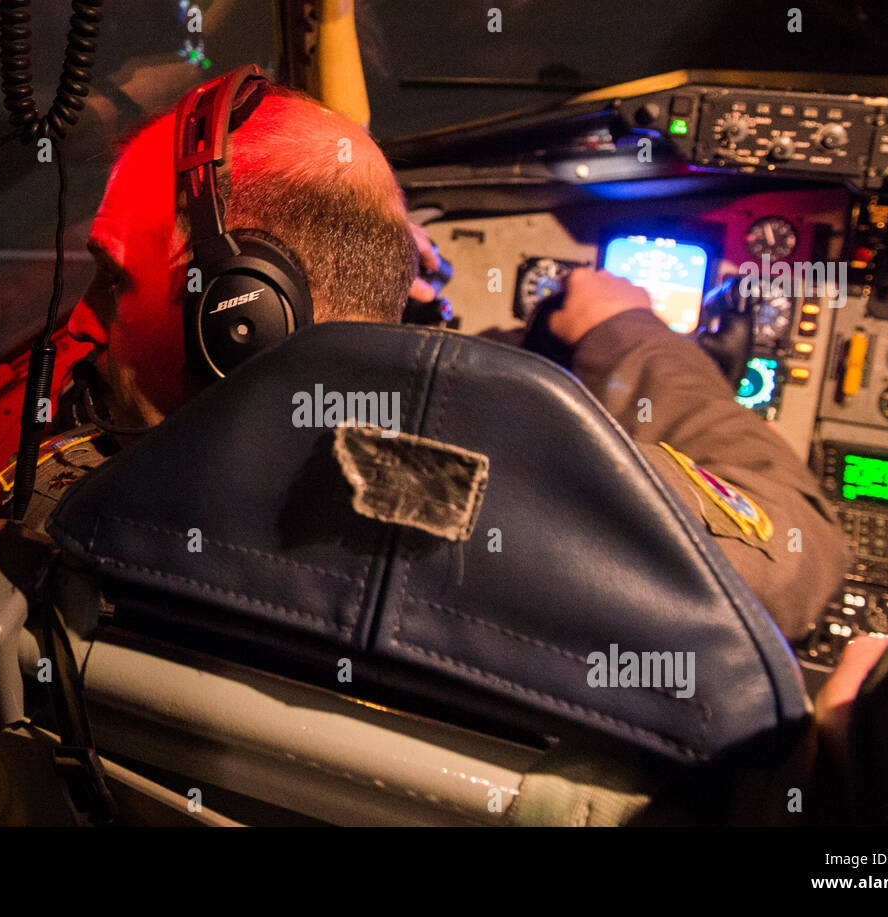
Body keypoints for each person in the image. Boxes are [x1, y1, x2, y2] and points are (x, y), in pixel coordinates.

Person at [51, 75, 847, 643]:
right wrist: (629, 331)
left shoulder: (76, 528)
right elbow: (796, 542)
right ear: (241, 315)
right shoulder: (511, 508)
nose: (83, 321)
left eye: (111, 277)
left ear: (245, 316)